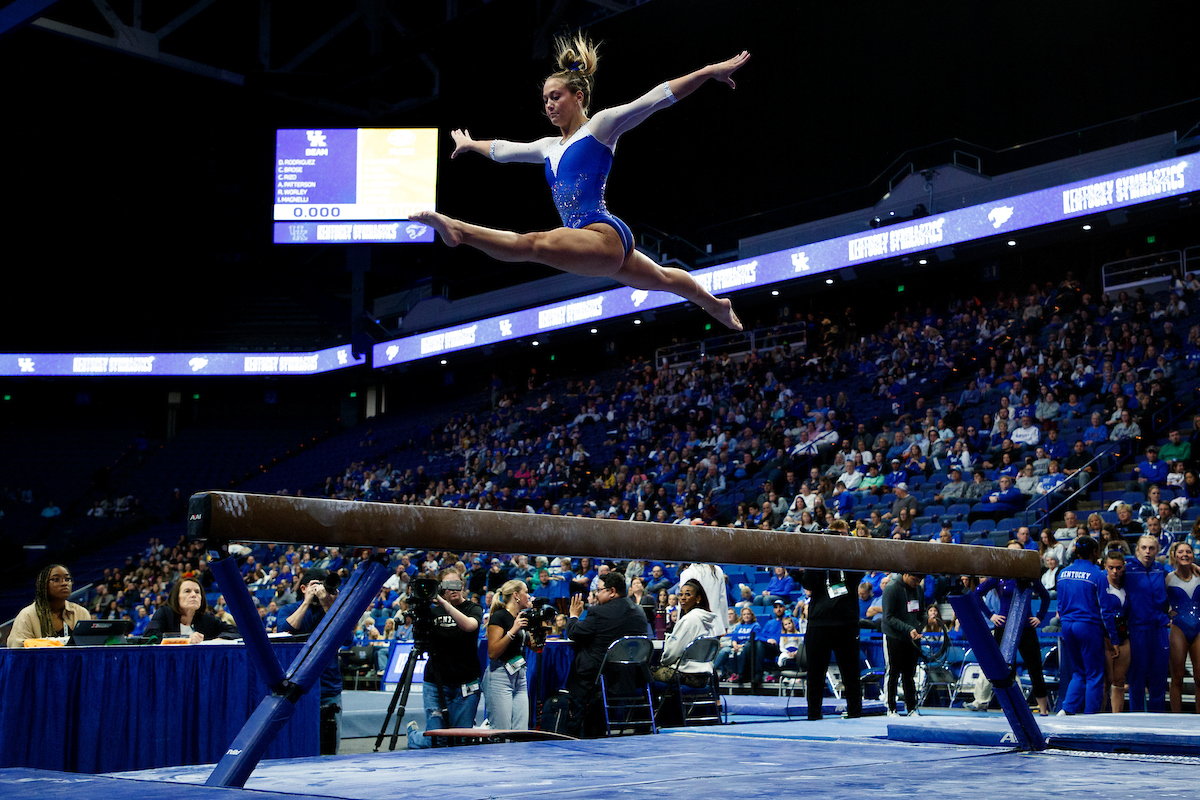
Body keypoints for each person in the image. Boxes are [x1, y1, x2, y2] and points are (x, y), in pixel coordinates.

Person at [414, 34, 748, 331]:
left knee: (533, 244)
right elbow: (505, 150)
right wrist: (473, 145)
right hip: (600, 241)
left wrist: (708, 72)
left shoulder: (600, 127)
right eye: (545, 100)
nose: (548, 105)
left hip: (599, 234)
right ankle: (715, 303)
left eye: (555, 97)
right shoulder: (548, 147)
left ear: (579, 97)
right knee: (662, 278)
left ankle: (459, 231)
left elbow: (655, 99)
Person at [564, 571, 653, 737]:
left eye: (599, 590)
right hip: (633, 677)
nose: (596, 595)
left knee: (577, 669)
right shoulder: (639, 611)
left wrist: (574, 615)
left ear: (612, 591)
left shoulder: (599, 613)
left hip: (602, 677)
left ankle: (574, 731)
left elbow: (574, 633)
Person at [406, 568, 485, 749]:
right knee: (438, 741)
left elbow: (470, 626)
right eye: (448, 586)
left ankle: (418, 736)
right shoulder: (432, 613)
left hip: (466, 684)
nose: (453, 589)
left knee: (460, 741)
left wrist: (444, 604)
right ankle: (414, 736)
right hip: (436, 682)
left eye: (456, 584)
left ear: (463, 585)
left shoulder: (473, 608)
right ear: (441, 587)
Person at [970, 549, 1052, 715]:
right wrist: (991, 616)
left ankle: (1044, 711)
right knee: (1006, 671)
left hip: (1026, 628)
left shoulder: (1029, 578)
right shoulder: (1000, 578)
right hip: (1004, 628)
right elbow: (976, 594)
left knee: (1035, 669)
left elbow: (1045, 596)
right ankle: (1010, 709)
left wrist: (1040, 617)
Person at [277, 568, 347, 754]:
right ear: (302, 588)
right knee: (300, 747)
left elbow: (348, 640)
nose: (320, 589)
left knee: (330, 748)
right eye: (315, 584)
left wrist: (328, 607)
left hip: (328, 687)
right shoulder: (289, 609)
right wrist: (307, 602)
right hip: (297, 688)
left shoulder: (335, 609)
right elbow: (283, 633)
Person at [802, 529, 865, 719]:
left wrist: (842, 550)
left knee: (851, 672)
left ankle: (855, 712)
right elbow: (808, 583)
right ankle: (813, 713)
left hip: (846, 623)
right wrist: (819, 555)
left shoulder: (849, 563)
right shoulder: (817, 561)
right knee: (815, 673)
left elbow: (859, 571)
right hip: (819, 623)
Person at [1055, 537, 1112, 714]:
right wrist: (1113, 638)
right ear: (1095, 553)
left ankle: (1067, 709)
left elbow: (1059, 605)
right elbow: (1105, 609)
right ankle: (1091, 716)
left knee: (1078, 672)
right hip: (1087, 625)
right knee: (1094, 674)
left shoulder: (1063, 572)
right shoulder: (1097, 575)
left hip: (1067, 625)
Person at [1124, 535, 1169, 712]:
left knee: (1159, 677)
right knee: (1137, 678)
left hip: (1159, 630)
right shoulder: (1127, 571)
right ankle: (1137, 718)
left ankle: (1158, 719)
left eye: (1151, 548)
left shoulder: (1161, 570)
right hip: (1138, 630)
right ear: (1137, 550)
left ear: (1157, 551)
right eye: (1144, 548)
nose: (1148, 552)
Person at [651, 578, 721, 687]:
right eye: (681, 594)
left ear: (698, 598)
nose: (682, 598)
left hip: (687, 675)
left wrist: (663, 662)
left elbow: (673, 653)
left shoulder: (688, 620)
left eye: (688, 595)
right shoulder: (707, 620)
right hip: (706, 675)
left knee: (646, 671)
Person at [483, 579, 532, 731]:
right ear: (516, 595)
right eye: (526, 592)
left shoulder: (523, 617)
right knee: (502, 731)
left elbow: (535, 647)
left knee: (521, 731)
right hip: (500, 676)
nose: (529, 596)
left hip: (520, 676)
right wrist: (512, 631)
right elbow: (492, 653)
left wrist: (540, 627)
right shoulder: (500, 616)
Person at [7, 564, 91, 646]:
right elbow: (17, 647)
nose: (64, 583)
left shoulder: (81, 612)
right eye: (56, 579)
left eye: (67, 579)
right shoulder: (28, 615)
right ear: (44, 585)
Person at [882, 571, 924, 716]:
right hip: (895, 635)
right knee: (894, 672)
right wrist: (908, 628)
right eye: (914, 579)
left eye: (919, 580)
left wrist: (920, 626)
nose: (916, 583)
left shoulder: (918, 589)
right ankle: (891, 708)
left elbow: (921, 612)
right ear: (905, 575)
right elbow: (888, 617)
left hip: (911, 636)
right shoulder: (892, 588)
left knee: (909, 674)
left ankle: (911, 708)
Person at [144, 577, 237, 643]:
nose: (193, 595)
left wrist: (220, 639)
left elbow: (235, 631)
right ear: (177, 597)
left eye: (197, 592)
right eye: (187, 591)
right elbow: (150, 636)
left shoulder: (207, 618)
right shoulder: (164, 612)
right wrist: (185, 639)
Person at [1166, 541, 1200, 713]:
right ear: (1174, 555)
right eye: (1181, 552)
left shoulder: (1199, 575)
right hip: (1179, 627)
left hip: (1198, 628)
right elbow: (1159, 601)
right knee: (1177, 677)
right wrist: (1167, 614)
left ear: (1193, 555)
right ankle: (1176, 719)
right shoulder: (1168, 578)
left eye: (1188, 551)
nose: (1185, 554)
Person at [1100, 550, 1131, 713]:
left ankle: (1116, 718)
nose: (1114, 571)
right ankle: (1101, 717)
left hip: (1123, 635)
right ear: (1105, 566)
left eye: (1118, 568)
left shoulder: (1126, 584)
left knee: (1119, 680)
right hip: (1105, 636)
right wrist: (1111, 640)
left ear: (1124, 567)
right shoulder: (1100, 585)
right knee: (1106, 680)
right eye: (1111, 567)